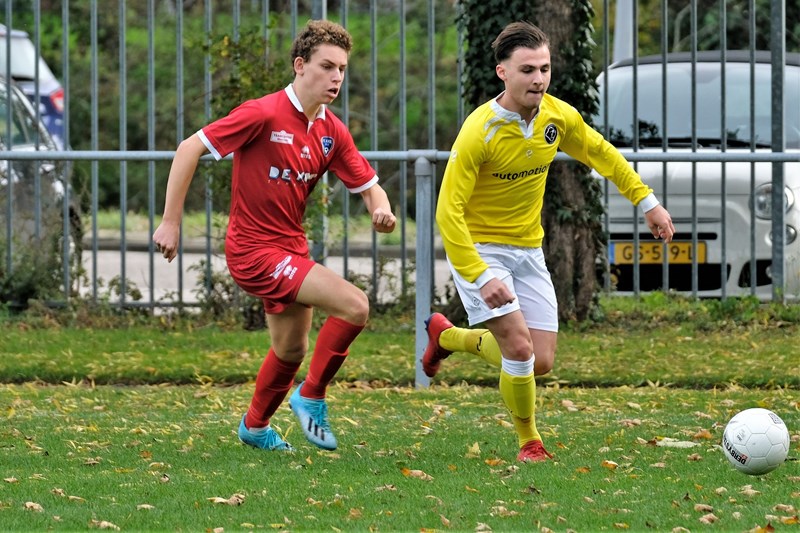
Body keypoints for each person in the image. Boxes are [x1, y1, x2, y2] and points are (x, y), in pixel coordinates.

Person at [422, 21, 674, 463]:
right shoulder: (479, 130)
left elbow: (601, 153)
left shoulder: (558, 116)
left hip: (528, 250)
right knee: (518, 349)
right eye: (527, 70)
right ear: (502, 72)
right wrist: (480, 274)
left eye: (544, 68)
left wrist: (647, 201)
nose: (538, 79)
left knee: (539, 361)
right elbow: (448, 213)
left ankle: (449, 337)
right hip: (481, 249)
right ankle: (530, 443)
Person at [153, 20, 396, 452]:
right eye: (327, 66)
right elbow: (189, 148)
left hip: (290, 250)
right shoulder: (263, 113)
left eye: (342, 69)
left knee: (290, 350)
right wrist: (171, 221)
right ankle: (311, 395)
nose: (337, 77)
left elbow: (369, 184)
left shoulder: (331, 131)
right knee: (355, 306)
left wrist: (382, 208)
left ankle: (255, 426)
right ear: (300, 65)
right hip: (252, 251)